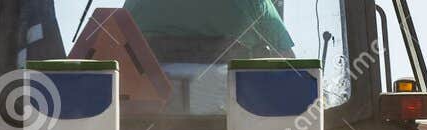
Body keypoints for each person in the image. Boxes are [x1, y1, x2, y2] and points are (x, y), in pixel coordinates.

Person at [122, 0, 296, 57]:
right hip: (237, 118)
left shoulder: (137, 4)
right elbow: (292, 65)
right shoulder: (254, 3)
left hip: (147, 112)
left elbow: (119, 51)